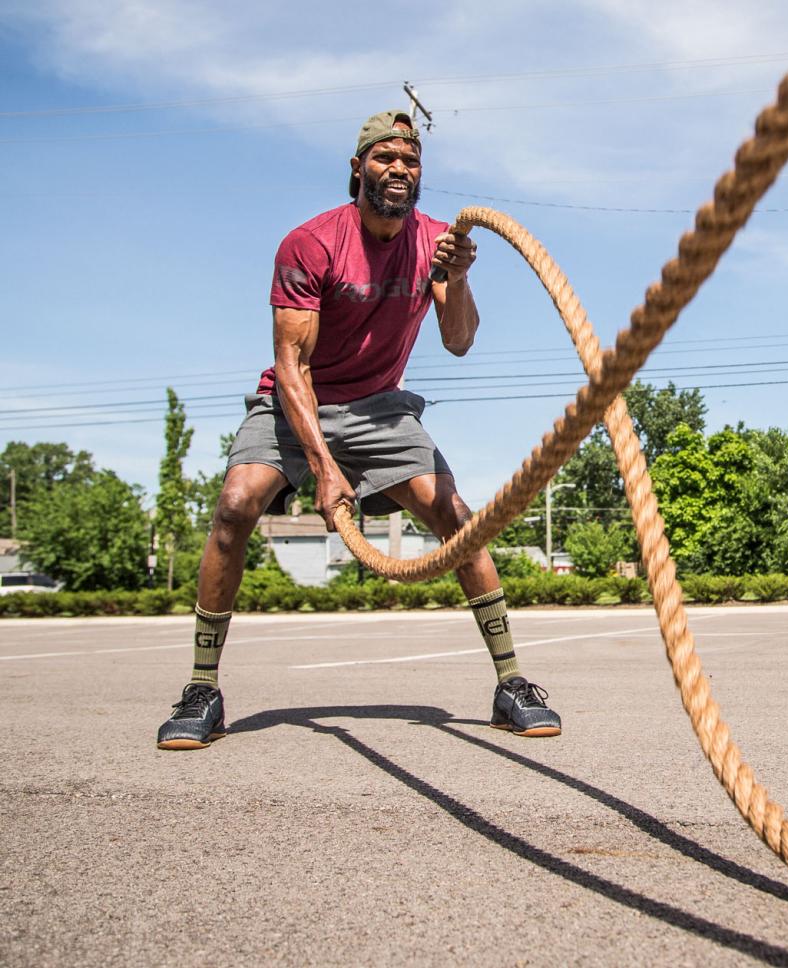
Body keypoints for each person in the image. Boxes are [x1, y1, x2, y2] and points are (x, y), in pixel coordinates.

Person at [156, 110, 560, 750]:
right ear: (358, 168)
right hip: (301, 402)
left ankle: (512, 682)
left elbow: (457, 342)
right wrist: (323, 468)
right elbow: (291, 366)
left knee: (459, 519)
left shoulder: (434, 243)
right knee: (234, 507)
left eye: (410, 161)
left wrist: (457, 276)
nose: (398, 169)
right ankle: (202, 687)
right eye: (384, 158)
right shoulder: (311, 243)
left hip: (382, 409)